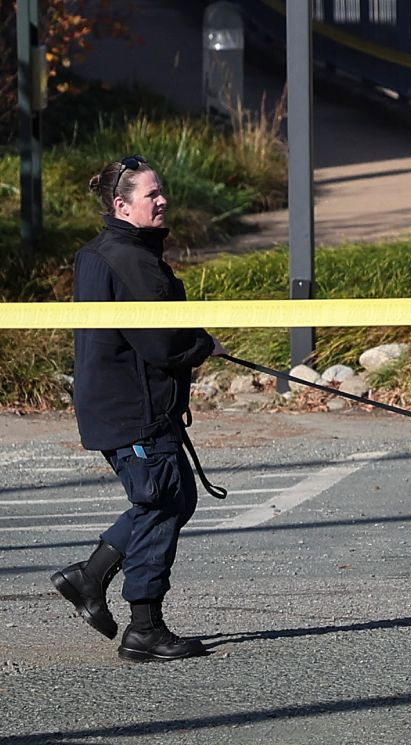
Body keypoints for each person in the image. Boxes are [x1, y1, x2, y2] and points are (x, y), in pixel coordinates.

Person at [51, 155, 228, 662]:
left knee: (170, 499)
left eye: (160, 191)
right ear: (120, 204)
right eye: (152, 194)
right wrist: (202, 347)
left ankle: (90, 577)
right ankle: (142, 626)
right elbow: (162, 343)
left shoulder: (106, 251)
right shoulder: (130, 259)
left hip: (120, 405)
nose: (162, 199)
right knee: (164, 499)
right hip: (135, 409)